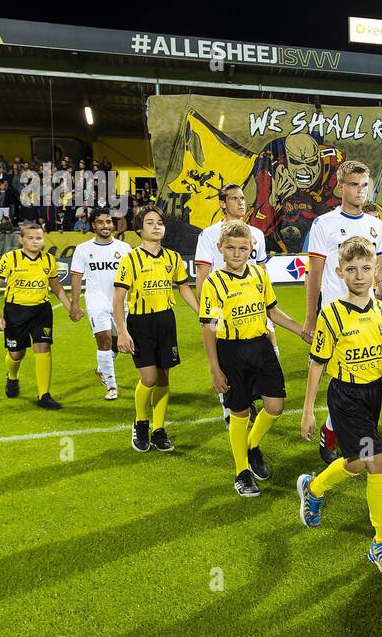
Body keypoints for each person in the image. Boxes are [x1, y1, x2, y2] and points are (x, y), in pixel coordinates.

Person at [298, 237, 382, 571]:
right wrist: (307, 413)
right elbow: (316, 364)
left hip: (373, 394)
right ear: (339, 272)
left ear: (376, 271)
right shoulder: (331, 315)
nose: (359, 275)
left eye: (366, 268)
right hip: (345, 397)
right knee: (380, 465)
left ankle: (313, 489)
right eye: (352, 269)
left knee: (357, 463)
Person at [301, 161, 382, 465]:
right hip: (335, 318)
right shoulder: (324, 224)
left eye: (364, 185)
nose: (360, 191)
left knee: (362, 381)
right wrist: (310, 318)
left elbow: (381, 273)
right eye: (354, 185)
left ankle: (337, 435)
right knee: (341, 382)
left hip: (369, 316)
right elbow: (314, 275)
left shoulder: (375, 225)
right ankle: (347, 445)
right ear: (341, 186)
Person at [201, 221, 308, 497]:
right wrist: (215, 369)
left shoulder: (260, 275)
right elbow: (209, 327)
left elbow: (272, 310)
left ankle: (250, 445)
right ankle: (242, 471)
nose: (237, 253)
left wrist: (300, 330)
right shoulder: (214, 282)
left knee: (275, 405)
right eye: (231, 248)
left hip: (261, 347)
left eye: (243, 248)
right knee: (240, 411)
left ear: (251, 248)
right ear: (220, 249)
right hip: (231, 351)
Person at [114, 206, 200, 453]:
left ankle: (159, 429)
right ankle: (141, 423)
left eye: (160, 222)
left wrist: (202, 313)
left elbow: (184, 288)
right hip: (140, 323)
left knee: (163, 377)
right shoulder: (130, 259)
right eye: (150, 222)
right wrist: (121, 330)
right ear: (139, 229)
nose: (156, 226)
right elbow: (118, 298)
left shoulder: (173, 258)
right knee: (149, 378)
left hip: (166, 321)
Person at [195, 184, 275, 425]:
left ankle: (248, 402)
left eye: (243, 198)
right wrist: (207, 309)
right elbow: (202, 273)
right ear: (222, 203)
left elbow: (262, 272)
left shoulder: (256, 235)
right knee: (227, 362)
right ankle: (229, 409)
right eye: (234, 198)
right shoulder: (209, 235)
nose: (241, 202)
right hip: (223, 309)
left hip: (253, 308)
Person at [0, 220, 79, 409]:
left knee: (43, 347)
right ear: (21, 239)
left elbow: (56, 286)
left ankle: (44, 395)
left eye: (39, 238)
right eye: (31, 238)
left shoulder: (48, 260)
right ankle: (12, 377)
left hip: (41, 310)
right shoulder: (10, 258)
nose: (36, 241)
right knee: (16, 354)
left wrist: (71, 307)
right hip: (15, 311)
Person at [68, 209, 133, 400]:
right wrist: (74, 304)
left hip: (121, 302)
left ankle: (102, 367)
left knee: (116, 342)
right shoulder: (83, 249)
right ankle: (111, 386)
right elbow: (77, 277)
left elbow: (133, 276)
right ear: (93, 225)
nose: (106, 226)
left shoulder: (125, 248)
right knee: (103, 339)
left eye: (108, 222)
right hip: (97, 301)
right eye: (101, 222)